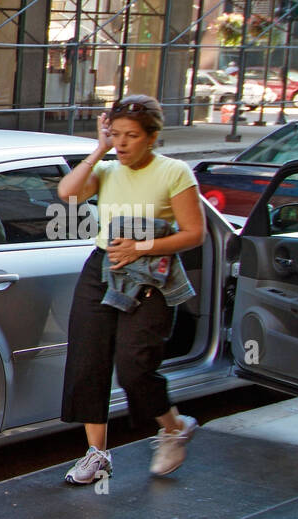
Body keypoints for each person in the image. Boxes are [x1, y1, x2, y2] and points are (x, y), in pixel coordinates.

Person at [57, 94, 206, 483]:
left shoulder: (174, 172)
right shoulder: (107, 169)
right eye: (116, 134)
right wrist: (98, 148)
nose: (122, 143)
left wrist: (142, 245)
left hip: (151, 275)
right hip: (102, 267)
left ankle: (173, 427)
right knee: (88, 360)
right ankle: (97, 454)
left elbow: (195, 233)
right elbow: (67, 194)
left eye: (131, 136)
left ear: (152, 137)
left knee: (135, 366)